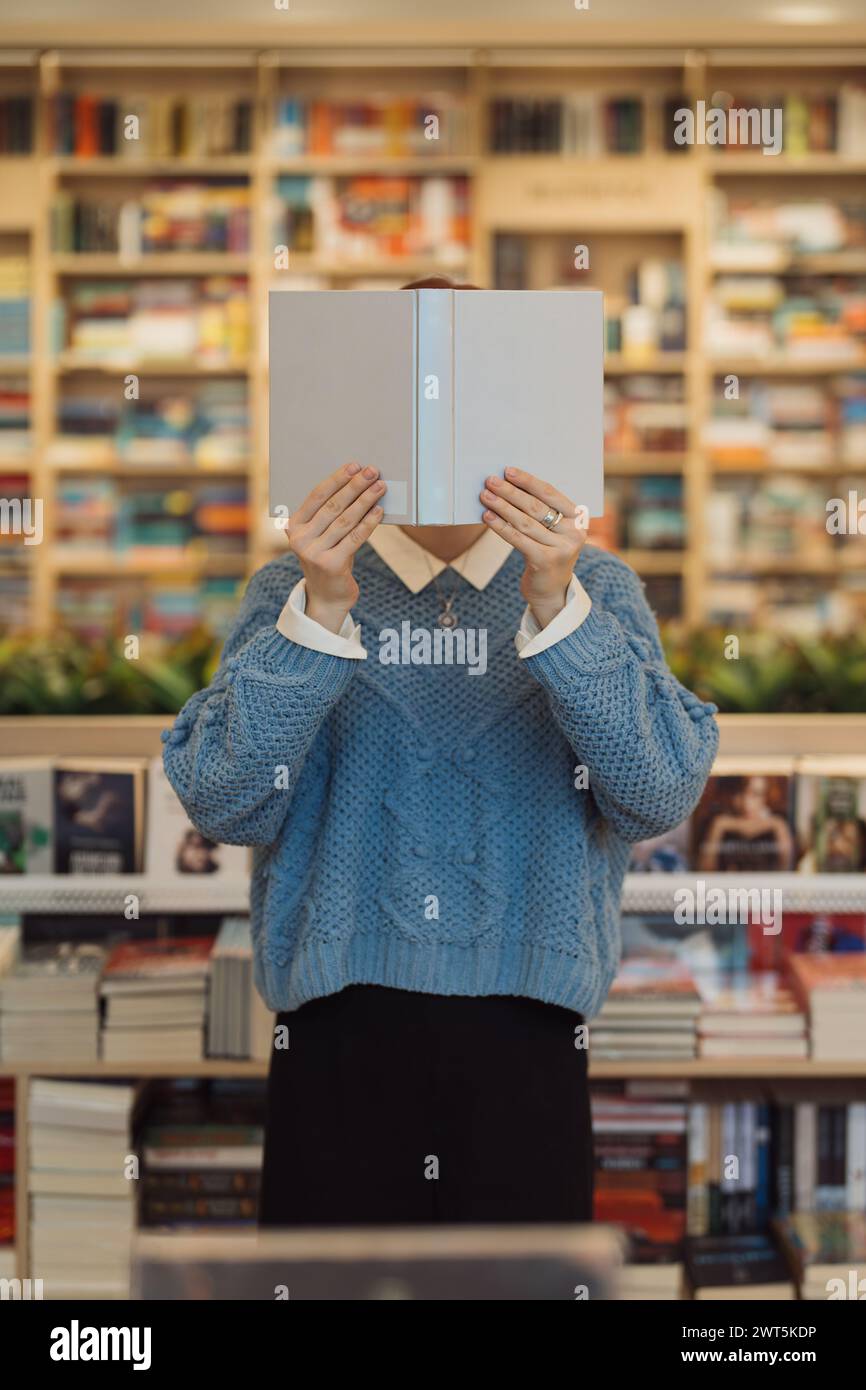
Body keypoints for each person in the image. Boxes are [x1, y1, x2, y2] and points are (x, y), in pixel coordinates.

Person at [163, 276, 719, 1228]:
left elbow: (657, 790)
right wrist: (321, 611)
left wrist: (558, 605)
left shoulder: (599, 589)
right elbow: (222, 800)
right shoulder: (290, 588)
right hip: (334, 1041)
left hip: (530, 1037)